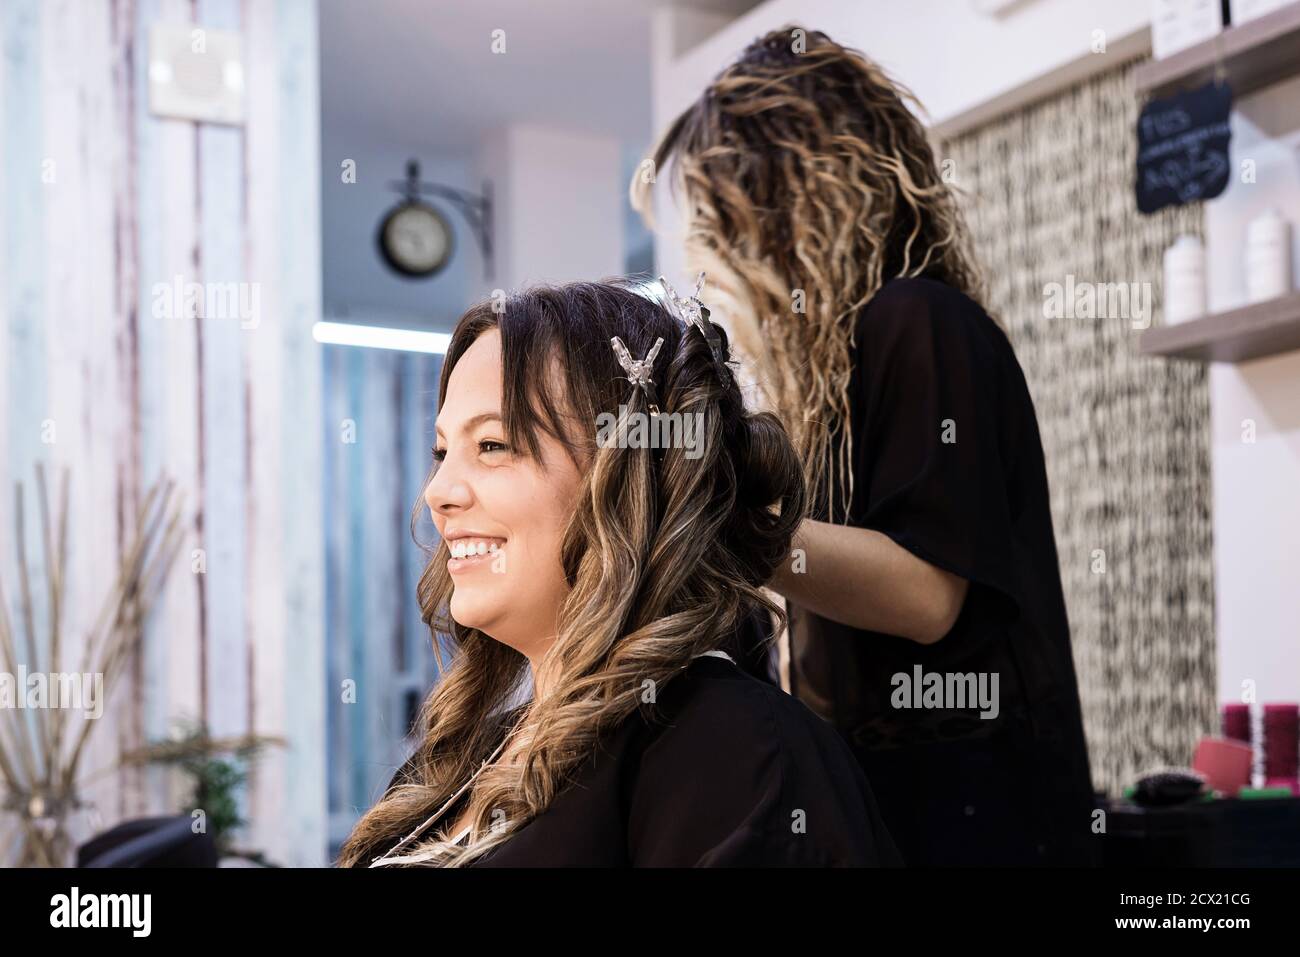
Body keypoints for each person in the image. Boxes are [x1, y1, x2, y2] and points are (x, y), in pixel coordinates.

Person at [636, 26, 1097, 866]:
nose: (705, 251)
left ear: (788, 199)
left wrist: (720, 521)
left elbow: (926, 595)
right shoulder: (829, 381)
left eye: (717, 216)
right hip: (884, 804)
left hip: (974, 819)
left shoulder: (918, 322)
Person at [336, 279, 900, 867]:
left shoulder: (730, 747)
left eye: (494, 445)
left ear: (632, 476)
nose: (439, 493)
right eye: (442, 451)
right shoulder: (454, 761)